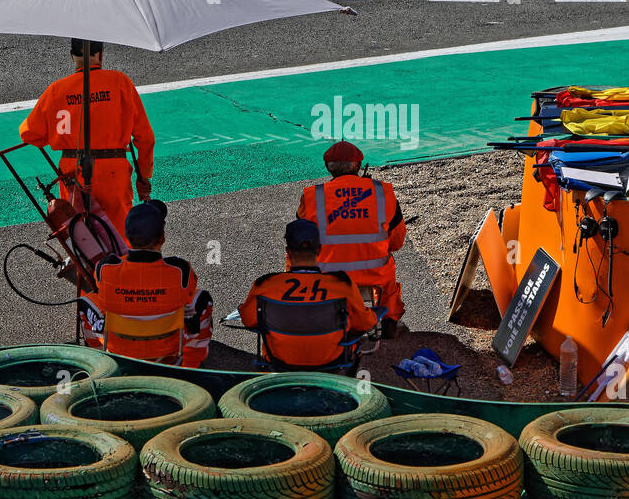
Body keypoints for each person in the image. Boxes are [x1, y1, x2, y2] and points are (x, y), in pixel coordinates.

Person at [19, 39, 154, 243]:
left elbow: (29, 134)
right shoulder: (120, 82)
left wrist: (62, 135)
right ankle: (120, 273)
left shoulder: (56, 90)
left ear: (72, 56)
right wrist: (144, 177)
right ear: (100, 54)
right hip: (113, 171)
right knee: (120, 238)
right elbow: (145, 138)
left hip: (72, 171)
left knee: (84, 241)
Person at [297, 141, 408, 338]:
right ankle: (390, 320)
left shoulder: (312, 196)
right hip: (374, 275)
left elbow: (301, 240)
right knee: (388, 263)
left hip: (327, 277)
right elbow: (397, 241)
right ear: (357, 166)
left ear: (327, 167)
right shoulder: (383, 191)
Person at [80, 201, 212, 366]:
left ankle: (101, 363)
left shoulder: (105, 267)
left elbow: (101, 288)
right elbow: (190, 290)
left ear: (127, 237)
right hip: (166, 349)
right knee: (202, 299)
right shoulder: (180, 269)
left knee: (87, 300)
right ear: (162, 238)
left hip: (120, 348)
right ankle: (191, 364)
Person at [240, 219, 377, 369]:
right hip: (332, 360)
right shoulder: (342, 285)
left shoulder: (264, 285)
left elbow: (248, 320)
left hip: (279, 360)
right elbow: (365, 323)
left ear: (288, 252)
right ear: (319, 249)